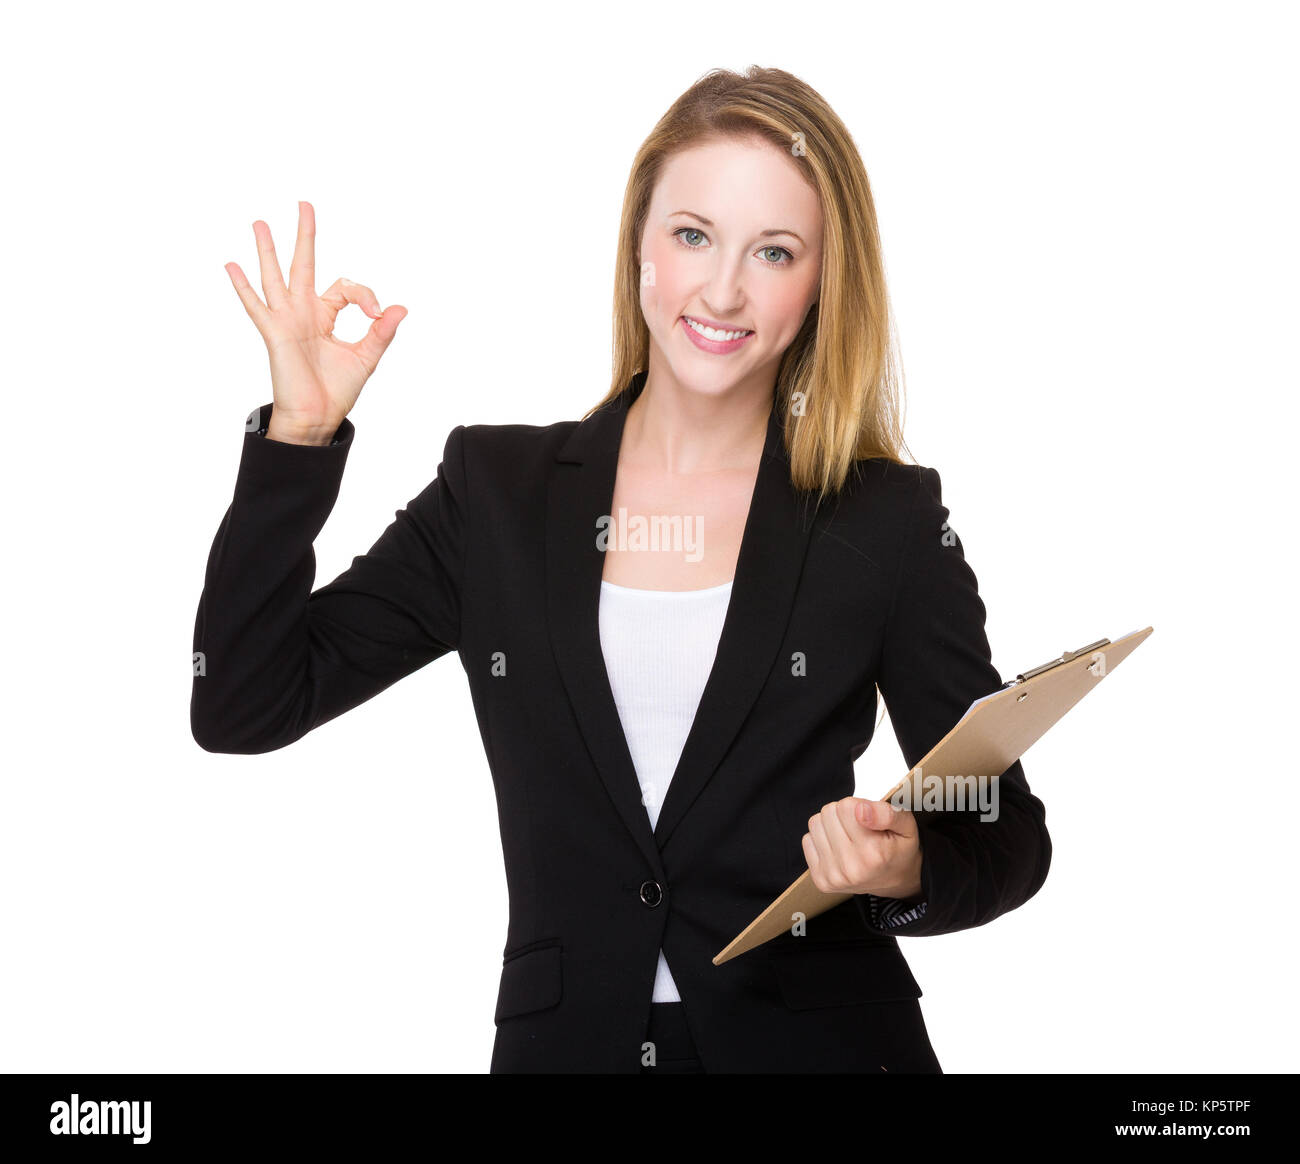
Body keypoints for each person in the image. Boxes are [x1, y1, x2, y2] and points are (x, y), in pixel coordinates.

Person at [191, 66, 1051, 1074]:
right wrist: (298, 438)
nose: (722, 290)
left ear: (821, 281)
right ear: (639, 244)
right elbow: (243, 706)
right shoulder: (496, 494)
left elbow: (1002, 837)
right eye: (692, 235)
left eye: (773, 251)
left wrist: (903, 863)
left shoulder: (885, 520)